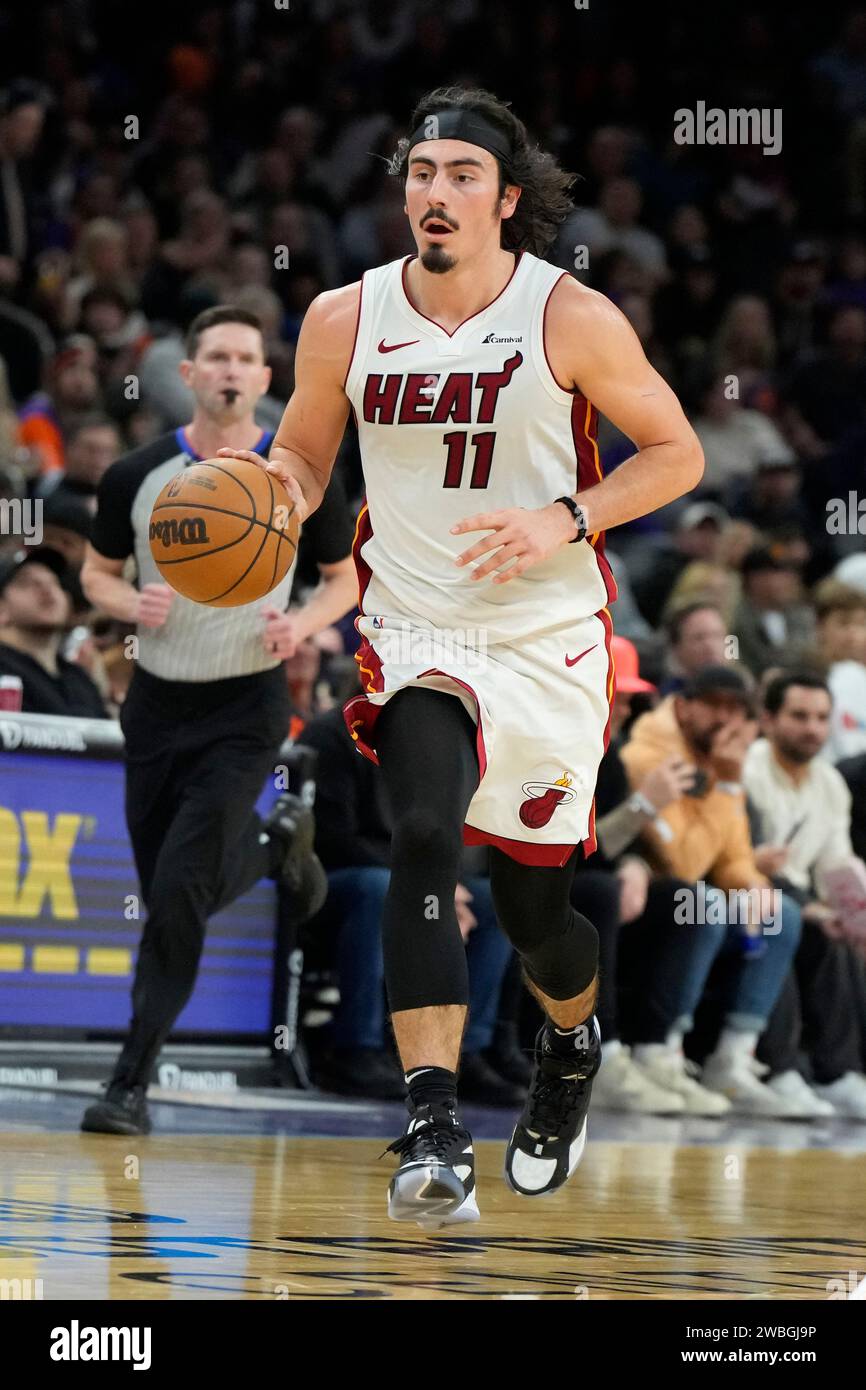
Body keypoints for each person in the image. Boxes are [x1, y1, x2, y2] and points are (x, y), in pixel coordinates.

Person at [218, 85, 704, 1225]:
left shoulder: (567, 315)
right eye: (420, 173)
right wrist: (264, 499)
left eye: (460, 176)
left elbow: (674, 452)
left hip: (544, 634)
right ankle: (429, 1121)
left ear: (508, 199)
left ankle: (570, 1046)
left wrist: (563, 517)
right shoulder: (343, 315)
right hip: (415, 625)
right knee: (423, 832)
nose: (433, 194)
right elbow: (301, 453)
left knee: (538, 910)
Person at [78, 304, 356, 1137]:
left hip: (247, 702)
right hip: (156, 702)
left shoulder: (300, 476)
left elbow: (343, 579)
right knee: (164, 882)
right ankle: (275, 848)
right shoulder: (136, 473)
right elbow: (94, 575)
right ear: (188, 372)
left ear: (267, 380)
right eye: (216, 357)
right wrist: (132, 600)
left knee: (178, 894)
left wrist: (301, 625)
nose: (232, 370)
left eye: (247, 358)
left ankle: (131, 1080)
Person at [299, 700, 519, 1107]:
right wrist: (424, 879)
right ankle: (355, 1049)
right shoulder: (330, 735)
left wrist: (439, 881)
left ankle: (463, 1052)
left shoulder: (436, 741)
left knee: (493, 900)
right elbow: (331, 840)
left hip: (408, 878)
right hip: (333, 887)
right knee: (376, 887)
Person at [619, 666, 805, 1116]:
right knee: (701, 903)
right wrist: (723, 782)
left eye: (735, 709)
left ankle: (733, 1056)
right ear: (683, 706)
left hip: (690, 902)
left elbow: (734, 857)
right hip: (647, 900)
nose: (725, 719)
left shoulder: (719, 760)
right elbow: (683, 862)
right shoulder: (651, 754)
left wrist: (754, 885)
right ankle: (661, 1050)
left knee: (781, 912)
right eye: (714, 705)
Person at [745, 671, 866, 1119]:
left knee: (835, 938)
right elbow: (740, 857)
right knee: (787, 919)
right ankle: (780, 1071)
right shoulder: (748, 767)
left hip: (800, 900)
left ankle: (838, 1075)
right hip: (738, 893)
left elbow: (837, 864)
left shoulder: (830, 783)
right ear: (768, 718)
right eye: (799, 716)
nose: (812, 728)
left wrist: (855, 911)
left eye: (821, 718)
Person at [0, 545, 108, 717]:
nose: (46, 589)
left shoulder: (80, 678)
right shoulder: (5, 668)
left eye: (54, 582)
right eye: (26, 583)